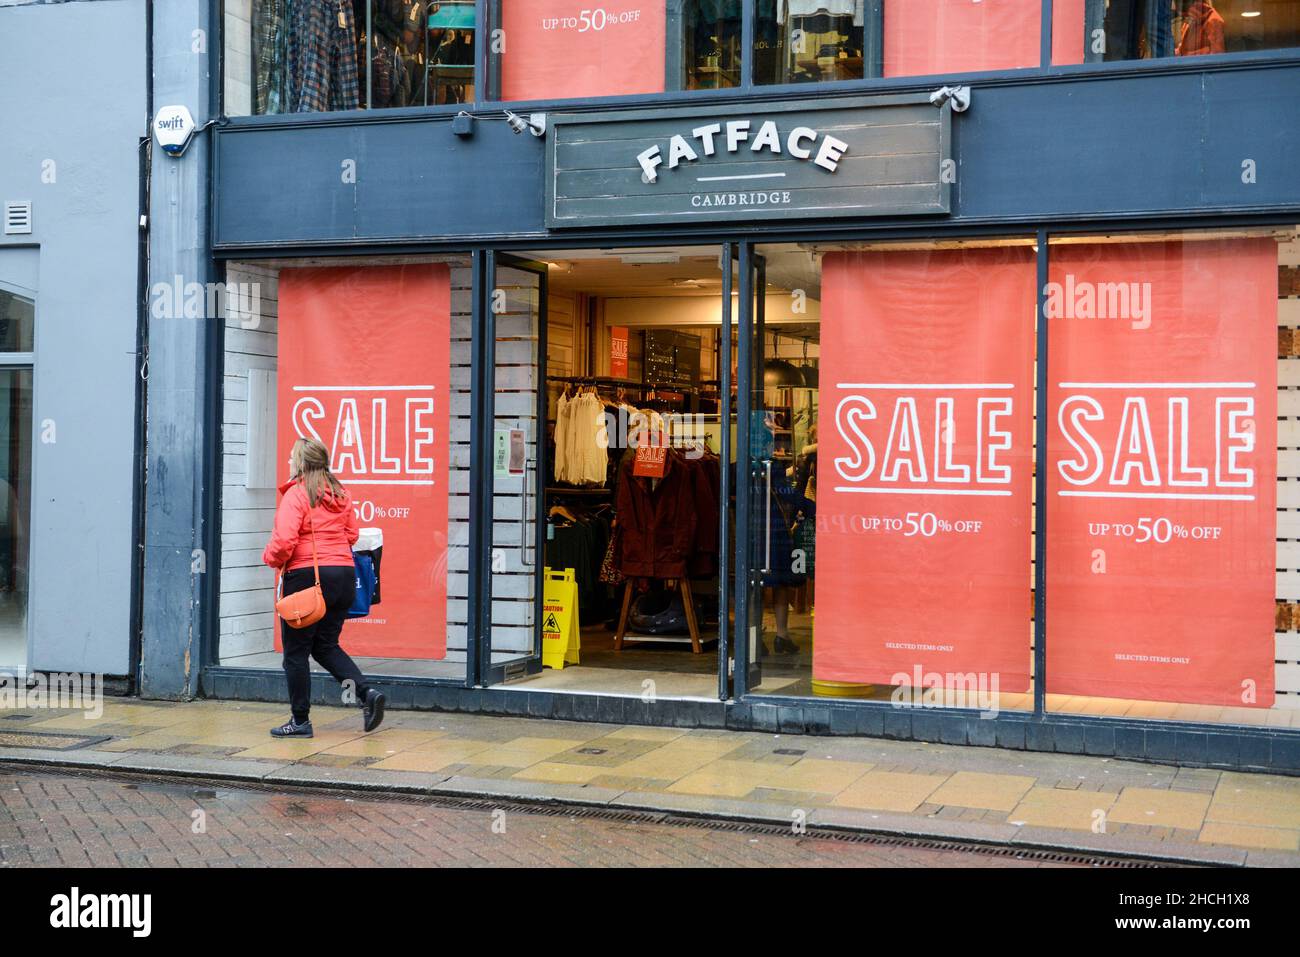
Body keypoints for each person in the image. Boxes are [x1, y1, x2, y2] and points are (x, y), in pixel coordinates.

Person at [262, 437, 385, 738]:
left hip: (307, 579)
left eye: (291, 457)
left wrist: (269, 558)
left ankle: (300, 721)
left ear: (301, 464)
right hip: (343, 577)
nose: (288, 462)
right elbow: (353, 535)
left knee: (295, 653)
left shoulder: (297, 494)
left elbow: (284, 541)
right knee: (325, 646)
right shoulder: (340, 494)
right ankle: (367, 694)